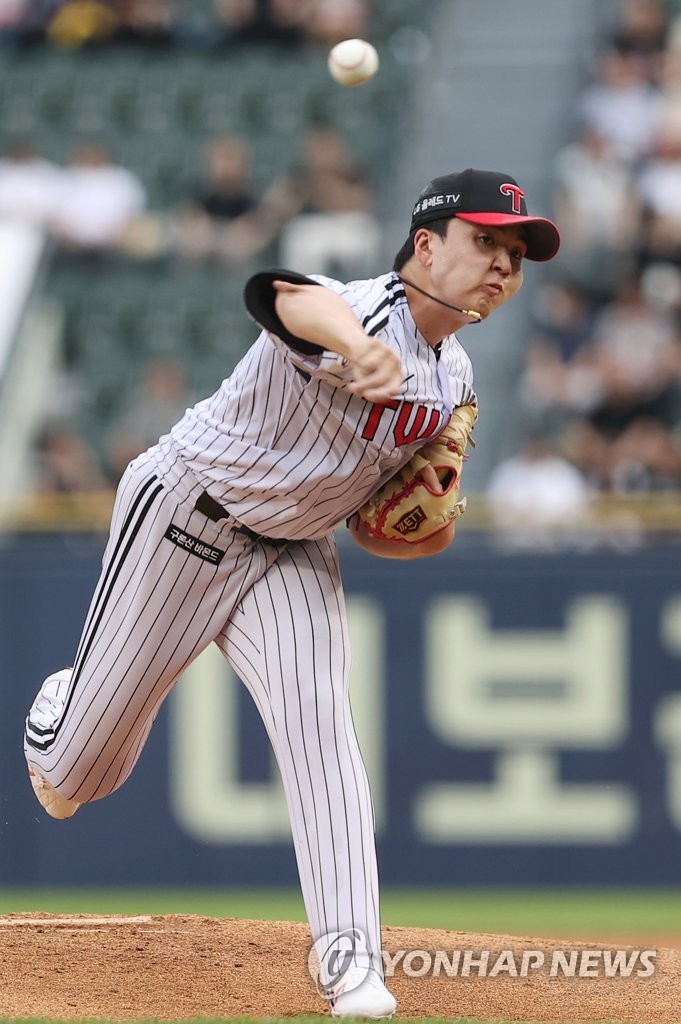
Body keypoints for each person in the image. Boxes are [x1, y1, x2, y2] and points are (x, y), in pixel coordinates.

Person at [23, 167, 560, 1019]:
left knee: (319, 720)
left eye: (516, 254)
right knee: (75, 778)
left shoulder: (452, 381)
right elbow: (281, 296)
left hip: (292, 550)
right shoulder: (363, 312)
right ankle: (65, 703)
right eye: (485, 241)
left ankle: (352, 965)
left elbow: (395, 535)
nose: (502, 263)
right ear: (425, 245)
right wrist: (355, 347)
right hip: (187, 516)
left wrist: (425, 519)